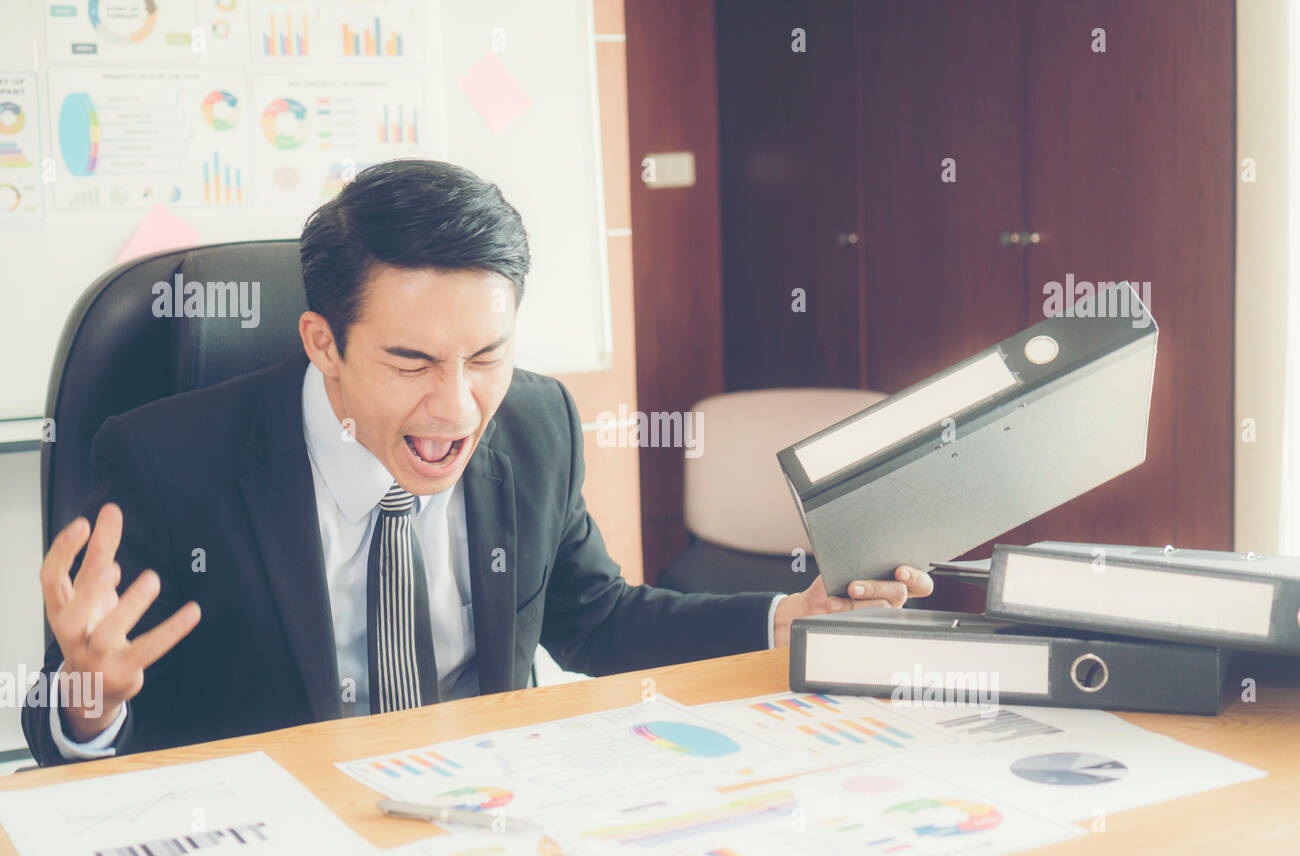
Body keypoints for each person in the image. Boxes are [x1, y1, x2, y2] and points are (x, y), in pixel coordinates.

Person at [24, 159, 932, 766]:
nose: (457, 408)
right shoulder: (167, 461)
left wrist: (784, 621)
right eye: (411, 362)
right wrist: (88, 700)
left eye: (486, 356)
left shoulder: (538, 422)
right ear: (322, 344)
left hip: (486, 808)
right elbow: (58, 711)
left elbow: (596, 621)